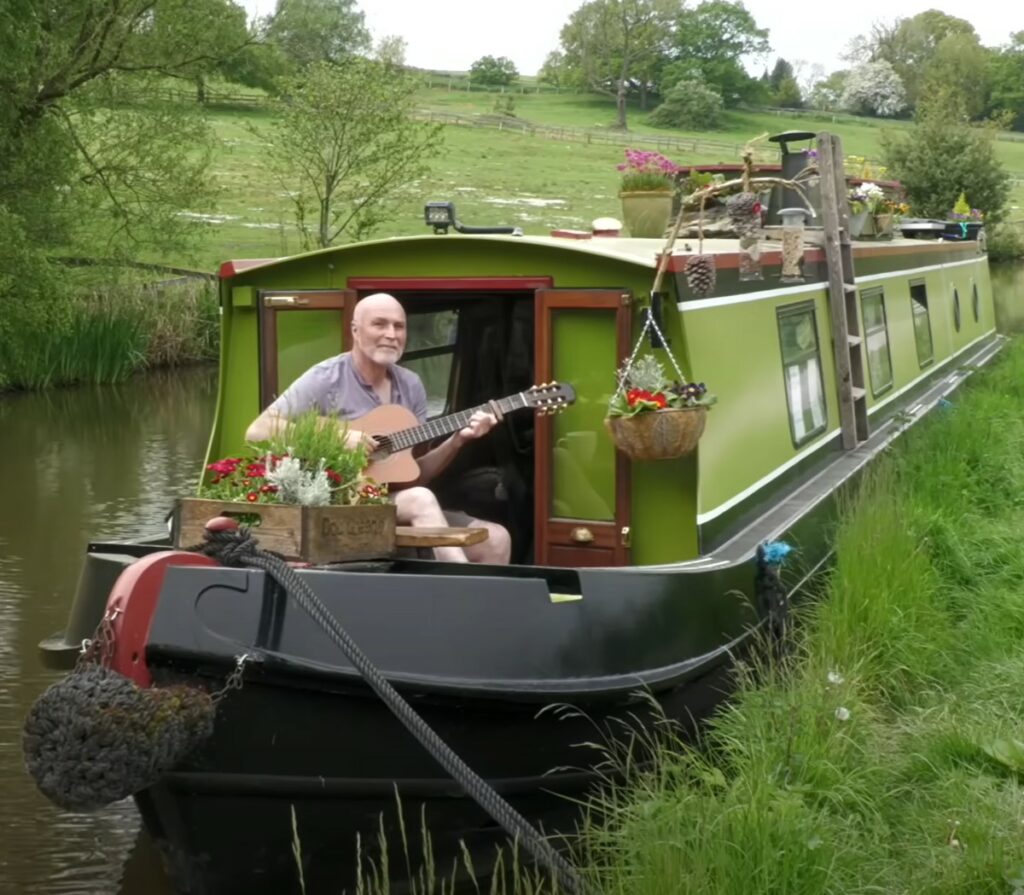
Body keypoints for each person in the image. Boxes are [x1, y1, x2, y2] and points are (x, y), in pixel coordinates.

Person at [245, 292, 511, 564]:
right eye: (379, 324)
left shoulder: (411, 385)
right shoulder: (326, 378)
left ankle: (474, 603)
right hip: (336, 506)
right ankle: (468, 593)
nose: (391, 334)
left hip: (391, 504)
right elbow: (258, 430)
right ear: (355, 330)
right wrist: (339, 436)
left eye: (399, 326)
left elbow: (414, 476)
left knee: (497, 539)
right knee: (420, 500)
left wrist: (457, 440)